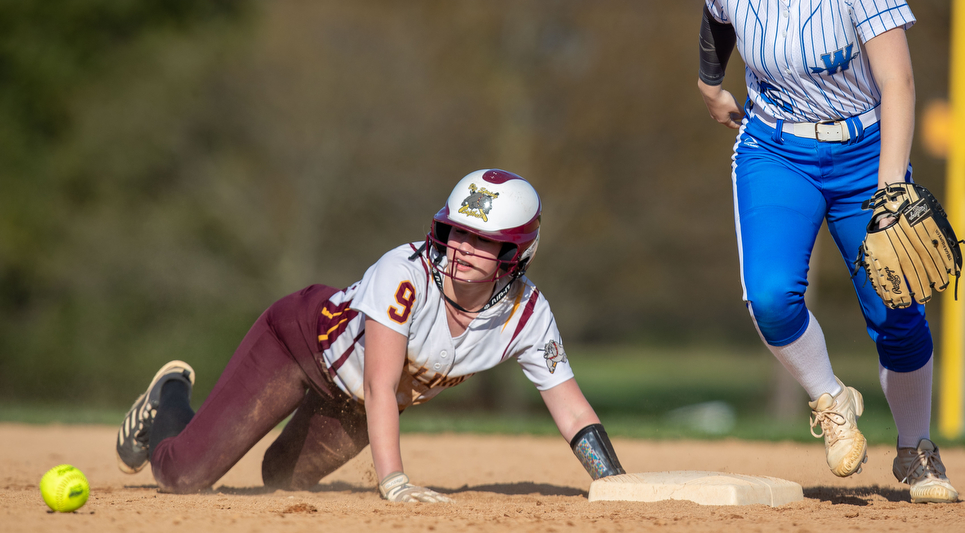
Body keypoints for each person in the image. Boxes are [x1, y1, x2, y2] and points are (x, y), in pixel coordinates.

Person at [696, 0, 957, 504]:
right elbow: (716, 23)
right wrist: (710, 84)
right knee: (771, 295)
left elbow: (897, 82)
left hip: (865, 152)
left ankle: (915, 450)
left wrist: (891, 183)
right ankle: (830, 399)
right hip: (775, 150)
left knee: (898, 306)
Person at [115, 169, 625, 500]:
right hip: (296, 347)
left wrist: (612, 482)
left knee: (282, 481)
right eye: (458, 231)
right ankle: (168, 401)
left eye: (484, 240)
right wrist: (394, 482)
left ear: (518, 253)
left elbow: (574, 410)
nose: (463, 247)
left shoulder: (528, 313)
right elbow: (383, 384)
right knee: (184, 477)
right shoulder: (404, 273)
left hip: (355, 401)